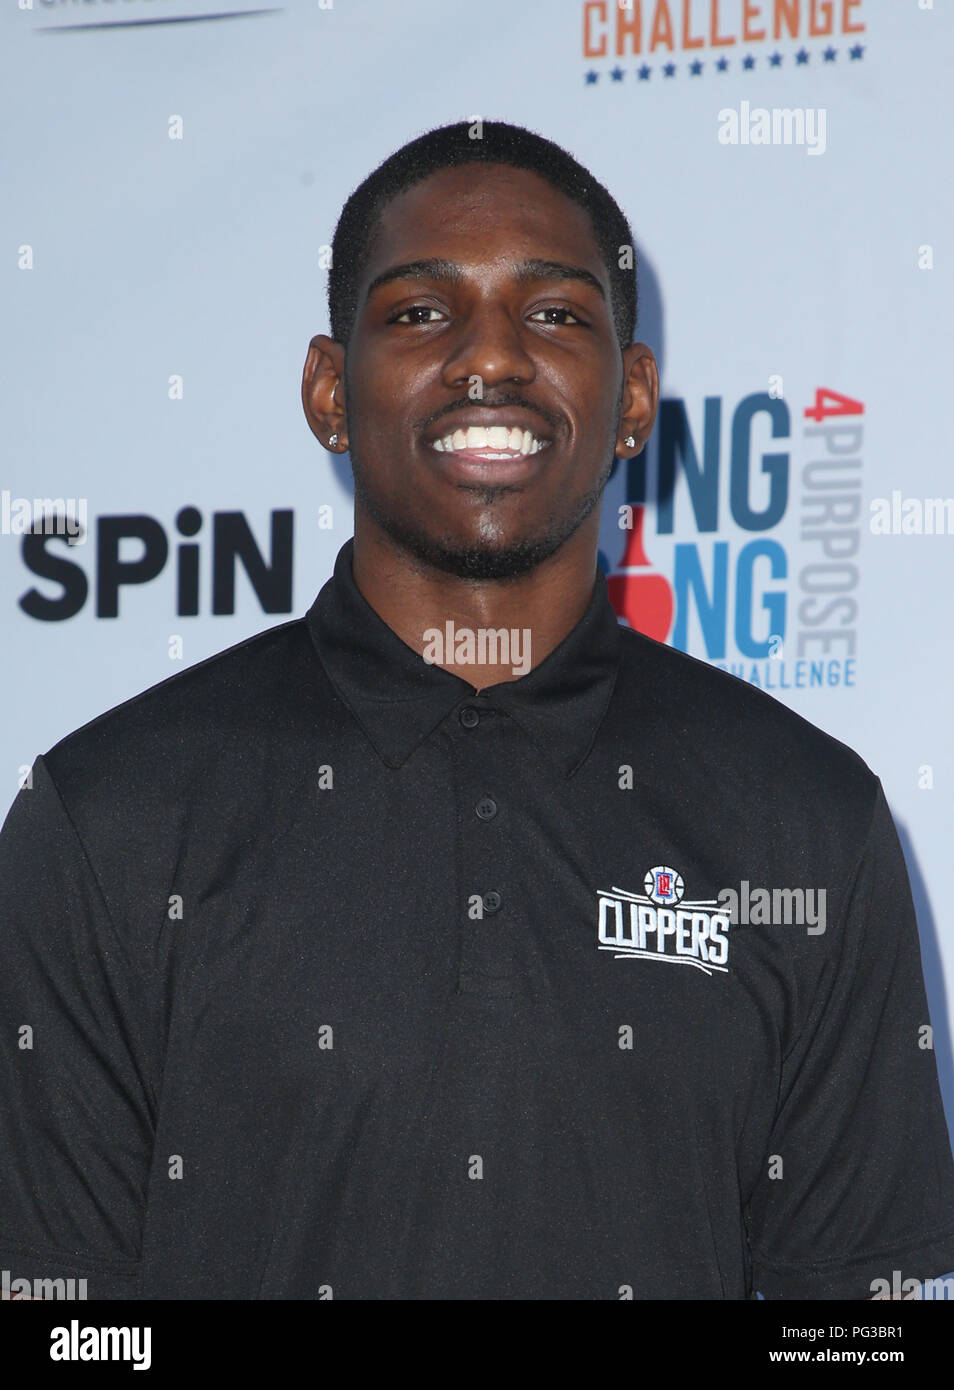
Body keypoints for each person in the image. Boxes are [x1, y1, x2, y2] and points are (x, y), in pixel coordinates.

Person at [2, 120, 953, 1301]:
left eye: (553, 315)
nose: (488, 360)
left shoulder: (806, 819)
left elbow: (851, 1324)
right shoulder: (108, 815)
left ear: (636, 399)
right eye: (419, 313)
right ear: (328, 393)